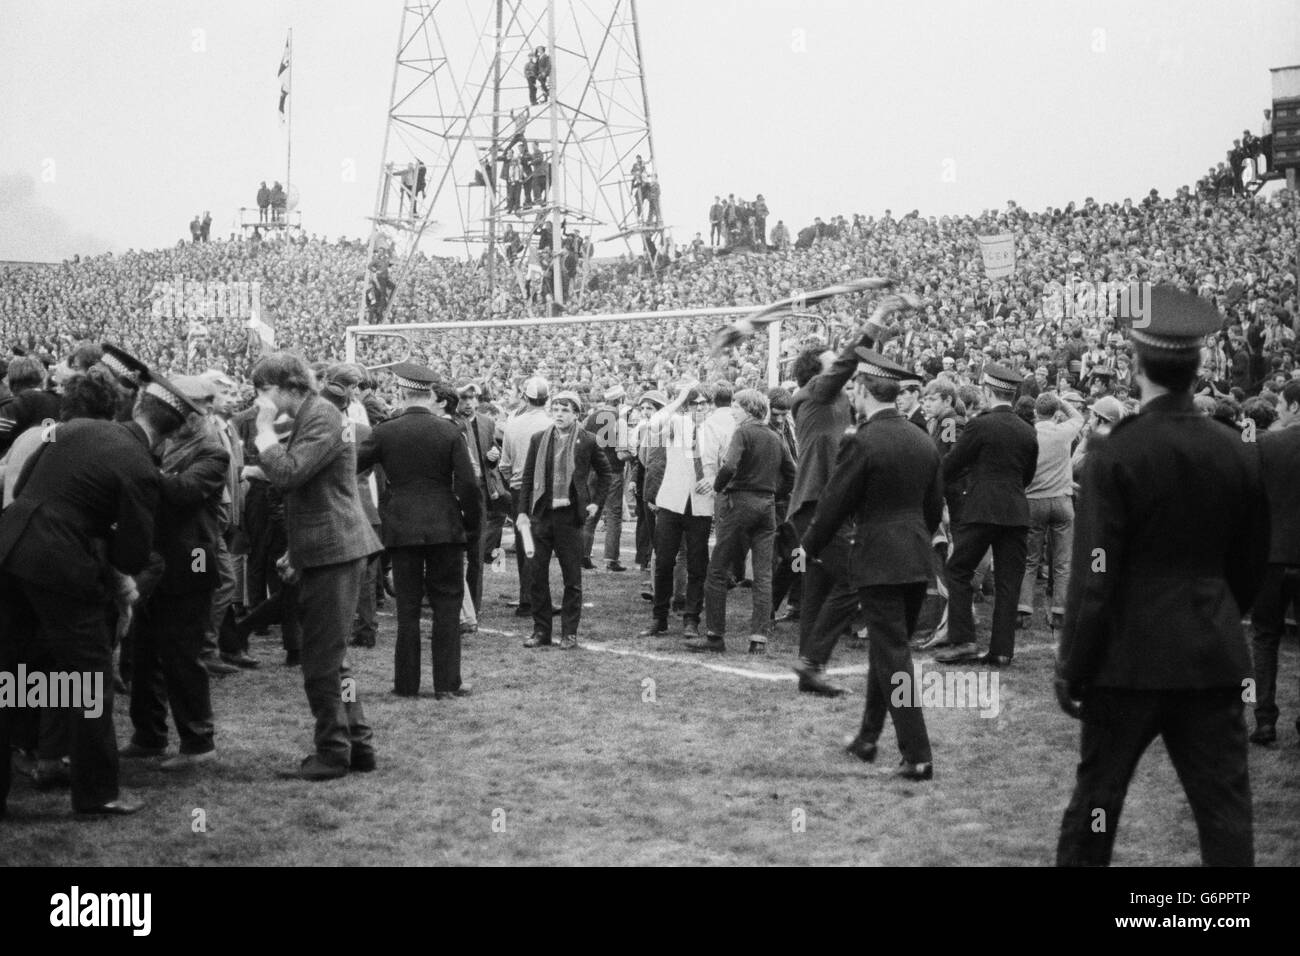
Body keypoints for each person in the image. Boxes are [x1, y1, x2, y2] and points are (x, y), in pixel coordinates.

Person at [1055, 285, 1268, 867]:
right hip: (1210, 652)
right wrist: (1215, 607)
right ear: (1198, 369)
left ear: (1135, 364)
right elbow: (1250, 563)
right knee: (1224, 813)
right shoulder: (1236, 450)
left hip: (1126, 660)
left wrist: (1074, 662)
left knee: (1097, 805)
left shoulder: (1115, 452)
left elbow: (1096, 573)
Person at [0, 353, 188, 817]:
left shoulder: (70, 430)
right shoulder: (140, 465)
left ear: (138, 405)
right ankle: (98, 793)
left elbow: (22, 488)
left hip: (10, 548)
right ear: (172, 432)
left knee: (12, 675)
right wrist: (104, 548)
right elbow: (133, 557)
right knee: (88, 679)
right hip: (62, 566)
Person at [802, 349, 944, 781]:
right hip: (915, 555)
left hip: (879, 558)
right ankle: (867, 738)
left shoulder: (861, 440)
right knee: (887, 648)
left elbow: (833, 502)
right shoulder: (922, 438)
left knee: (893, 655)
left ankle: (917, 755)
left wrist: (809, 545)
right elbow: (933, 507)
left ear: (863, 391)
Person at [252, 351, 382, 780]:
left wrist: (264, 433)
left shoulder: (321, 416)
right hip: (331, 546)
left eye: (263, 390)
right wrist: (297, 551)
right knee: (335, 659)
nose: (259, 400)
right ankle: (357, 744)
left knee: (321, 663)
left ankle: (333, 752)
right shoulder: (318, 413)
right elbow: (311, 489)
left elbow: (289, 474)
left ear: (287, 386)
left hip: (335, 550)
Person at [122, 375, 227, 771]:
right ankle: (148, 735)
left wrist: (139, 469)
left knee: (183, 656)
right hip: (154, 561)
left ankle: (198, 742)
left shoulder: (213, 452)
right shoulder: (160, 445)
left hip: (192, 561)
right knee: (144, 654)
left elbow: (183, 492)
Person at [356, 364, 480, 698]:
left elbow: (352, 465)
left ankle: (406, 684)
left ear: (402, 392)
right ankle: (447, 683)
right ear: (430, 394)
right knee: (447, 606)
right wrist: (470, 526)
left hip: (402, 527)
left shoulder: (385, 431)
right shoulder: (450, 431)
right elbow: (468, 485)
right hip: (444, 526)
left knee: (407, 609)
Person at [934, 361, 1038, 667]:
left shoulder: (980, 425)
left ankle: (963, 640)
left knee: (958, 569)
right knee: (1008, 582)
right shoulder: (1027, 430)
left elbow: (952, 464)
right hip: (1015, 511)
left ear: (988, 392)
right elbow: (1027, 475)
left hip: (981, 509)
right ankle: (1002, 650)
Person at [696, 389, 794, 654]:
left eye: (737, 407)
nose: (733, 411)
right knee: (763, 575)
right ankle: (758, 639)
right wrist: (774, 493)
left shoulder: (742, 432)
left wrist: (718, 488)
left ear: (749, 409)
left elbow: (729, 466)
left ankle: (715, 636)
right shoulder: (775, 436)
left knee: (717, 570)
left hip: (739, 502)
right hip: (767, 506)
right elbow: (792, 473)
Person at [518, 390, 612, 649]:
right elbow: (528, 478)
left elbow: (606, 474)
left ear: (576, 414)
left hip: (570, 517)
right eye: (556, 409)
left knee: (572, 577)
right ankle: (541, 631)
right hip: (541, 515)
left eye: (565, 410)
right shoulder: (539, 438)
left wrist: (595, 502)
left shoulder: (588, 440)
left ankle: (569, 633)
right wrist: (523, 511)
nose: (559, 414)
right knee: (536, 575)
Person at [637, 383, 714, 639]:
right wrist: (680, 397)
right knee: (664, 561)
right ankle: (659, 617)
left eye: (703, 403)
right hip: (672, 501)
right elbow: (654, 423)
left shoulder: (715, 429)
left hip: (700, 504)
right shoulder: (678, 423)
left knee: (697, 564)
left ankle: (692, 618)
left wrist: (713, 482)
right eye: (694, 403)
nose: (699, 408)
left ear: (710, 405)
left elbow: (726, 463)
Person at [1249, 379, 1300, 745]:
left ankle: (1264, 719)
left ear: (1294, 406)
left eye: (1281, 403)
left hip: (1270, 556)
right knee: (1263, 638)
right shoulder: (1266, 443)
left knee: (1264, 638)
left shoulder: (1266, 445)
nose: (1278, 409)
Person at [1017, 392, 1084, 630]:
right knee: (1063, 562)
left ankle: (1023, 610)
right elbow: (1078, 417)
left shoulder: (1028, 434)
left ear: (1036, 412)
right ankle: (1059, 612)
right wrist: (1060, 401)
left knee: (1029, 560)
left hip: (1034, 501)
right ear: (1056, 412)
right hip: (1062, 501)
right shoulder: (1064, 431)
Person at [499, 377, 553, 617]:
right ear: (547, 399)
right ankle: (536, 600)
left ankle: (527, 598)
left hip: (520, 488)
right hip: (545, 490)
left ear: (525, 397)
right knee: (543, 544)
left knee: (525, 545)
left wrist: (515, 481)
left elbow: (505, 465)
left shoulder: (513, 424)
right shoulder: (552, 423)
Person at [581, 384, 629, 572]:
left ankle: (583, 554)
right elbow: (622, 453)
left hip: (592, 470)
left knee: (591, 512)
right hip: (612, 470)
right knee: (613, 515)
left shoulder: (590, 417)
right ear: (620, 400)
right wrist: (633, 455)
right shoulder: (620, 420)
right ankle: (611, 559)